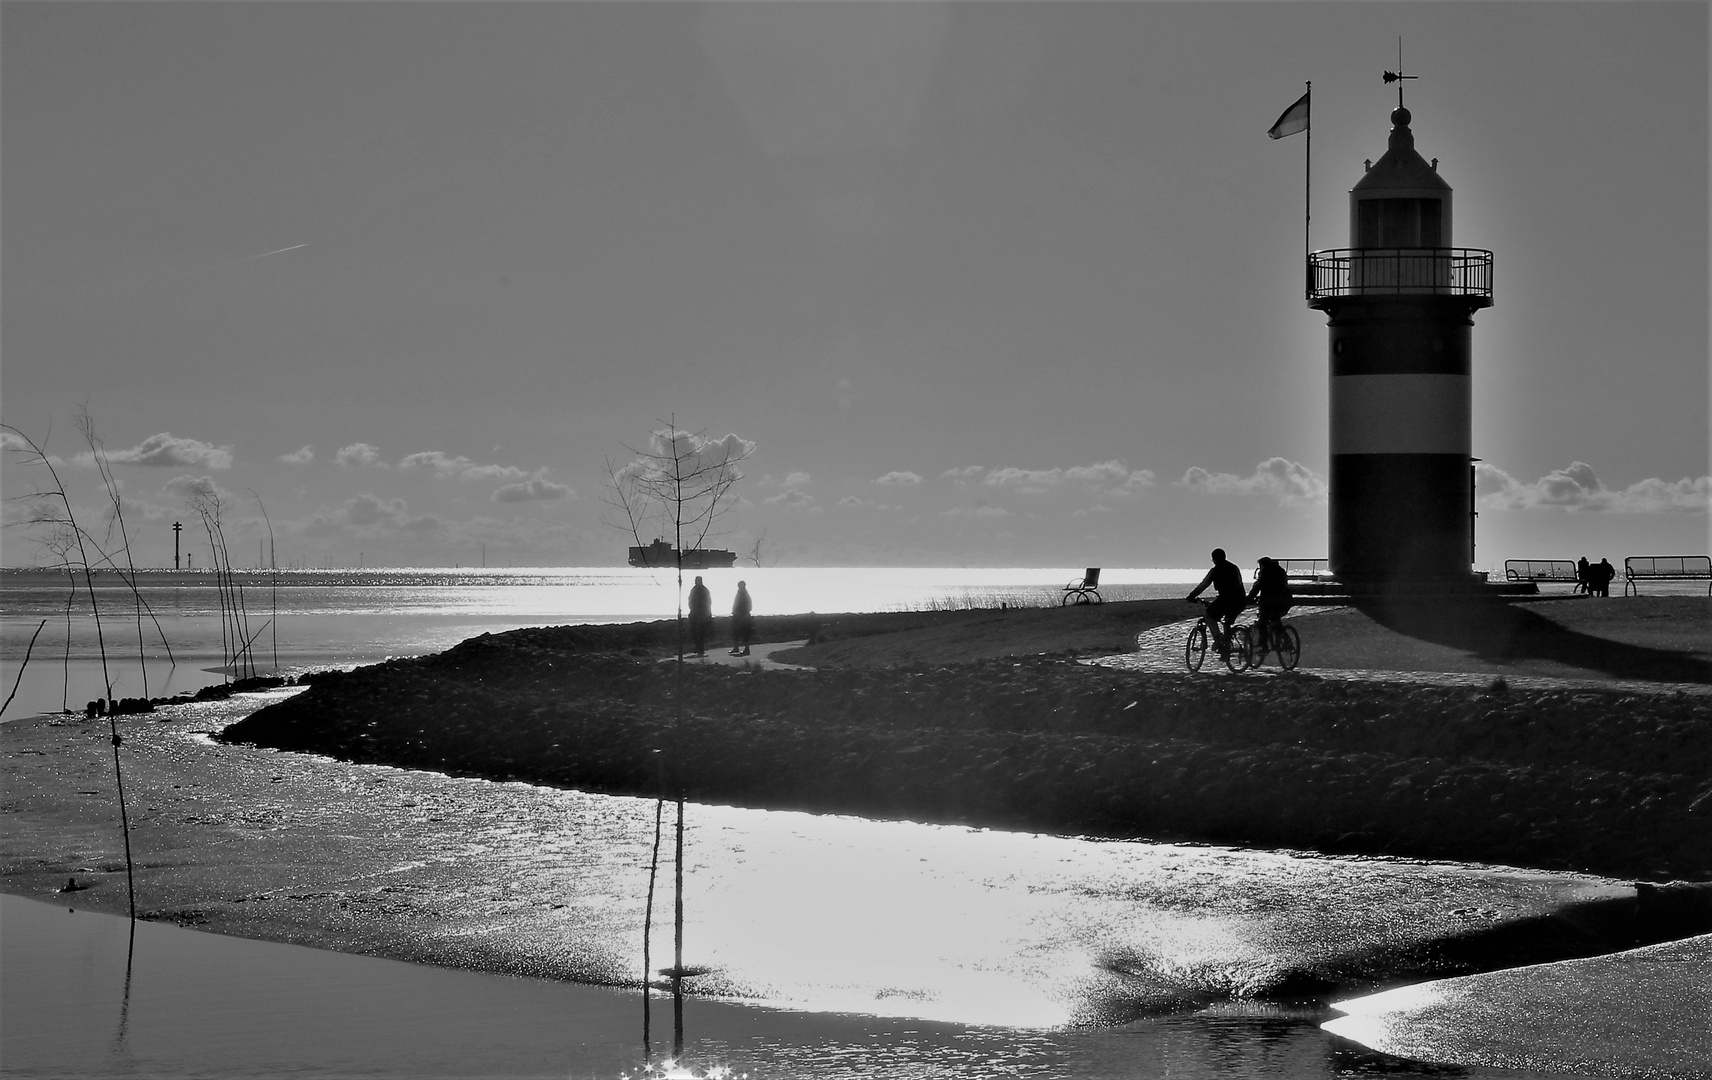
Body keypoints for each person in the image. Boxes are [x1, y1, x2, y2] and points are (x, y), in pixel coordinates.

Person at [1186, 548, 1246, 655]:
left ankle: (1219, 639)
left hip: (1227, 599)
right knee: (1226, 622)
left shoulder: (1216, 570)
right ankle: (1226, 649)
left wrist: (1191, 596)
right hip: (1240, 600)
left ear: (1214, 559)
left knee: (1209, 614)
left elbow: (1203, 585)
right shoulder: (1234, 567)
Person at [1246, 556, 1293, 653]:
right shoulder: (1279, 571)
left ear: (1262, 565)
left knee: (1262, 624)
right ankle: (1287, 643)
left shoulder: (1265, 572)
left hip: (1271, 603)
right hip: (1285, 601)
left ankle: (1264, 648)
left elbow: (1258, 586)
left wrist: (1249, 599)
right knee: (1275, 621)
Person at [687, 576, 712, 656]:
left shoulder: (703, 590)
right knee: (694, 631)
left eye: (697, 580)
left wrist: (707, 612)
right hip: (696, 612)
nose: (695, 582)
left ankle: (700, 648)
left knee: (700, 632)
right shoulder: (695, 589)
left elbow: (708, 602)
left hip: (701, 613)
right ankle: (698, 647)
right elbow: (690, 600)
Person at [729, 580, 753, 656]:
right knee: (736, 632)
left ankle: (746, 649)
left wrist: (742, 612)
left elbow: (748, 606)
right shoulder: (741, 593)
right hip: (739, 616)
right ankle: (737, 647)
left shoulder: (744, 594)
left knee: (744, 633)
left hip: (742, 616)